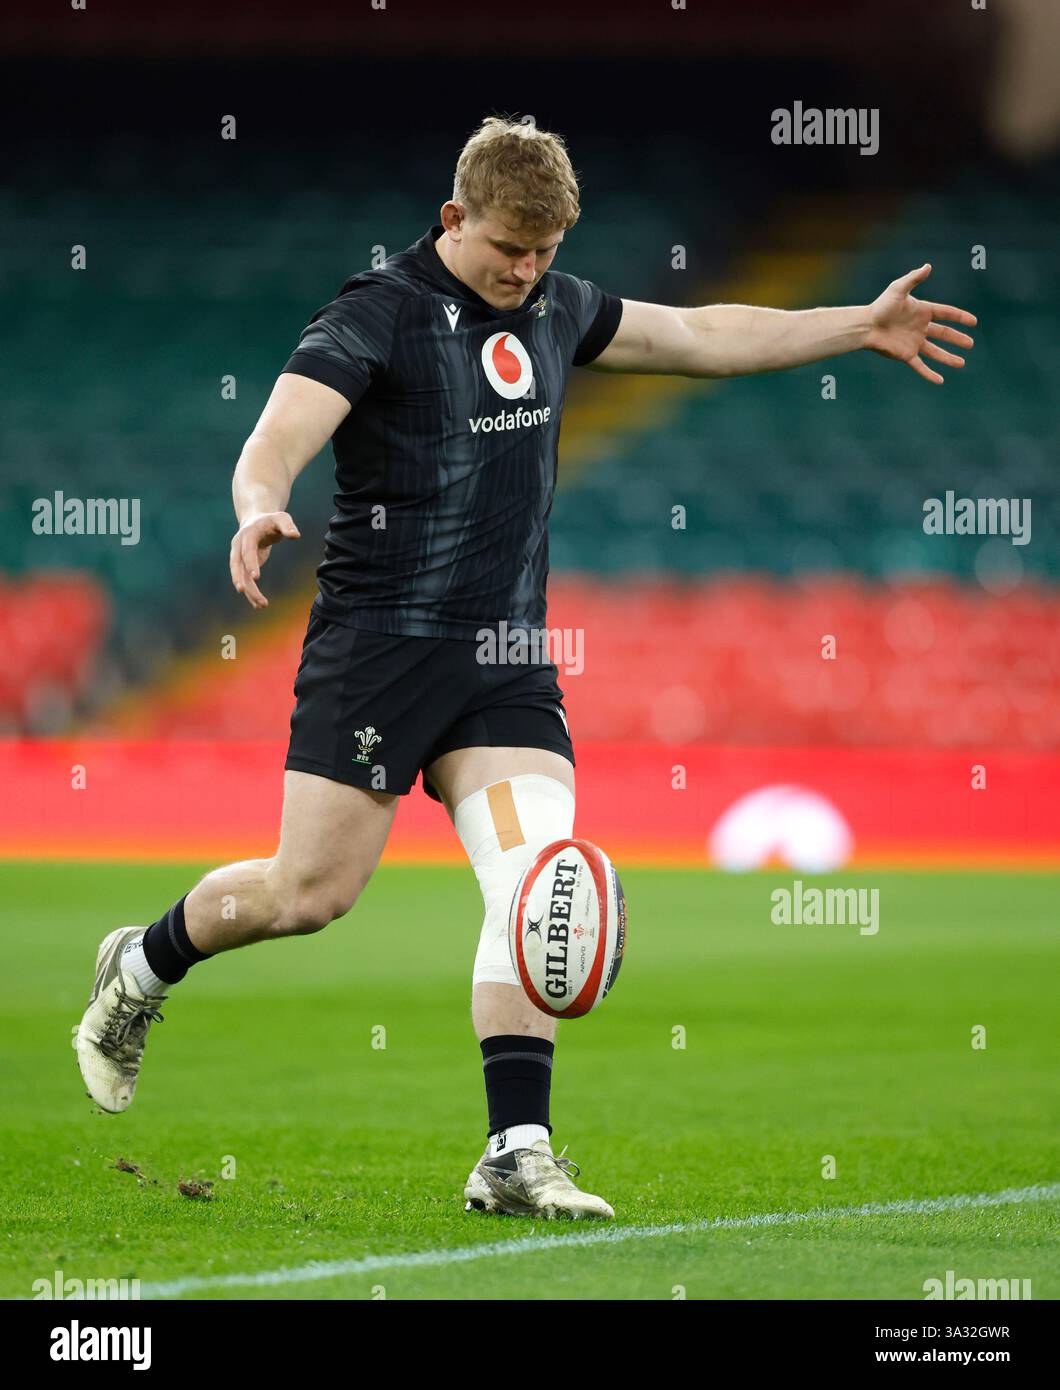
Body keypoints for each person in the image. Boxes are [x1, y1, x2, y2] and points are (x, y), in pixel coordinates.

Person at [75, 114, 976, 1221]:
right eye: (509, 247)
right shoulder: (378, 314)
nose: (528, 271)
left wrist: (855, 326)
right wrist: (260, 507)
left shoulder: (557, 303)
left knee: (533, 884)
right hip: (378, 650)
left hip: (502, 659)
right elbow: (276, 433)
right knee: (307, 894)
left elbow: (699, 337)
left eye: (546, 252)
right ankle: (142, 964)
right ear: (453, 218)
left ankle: (515, 1150)